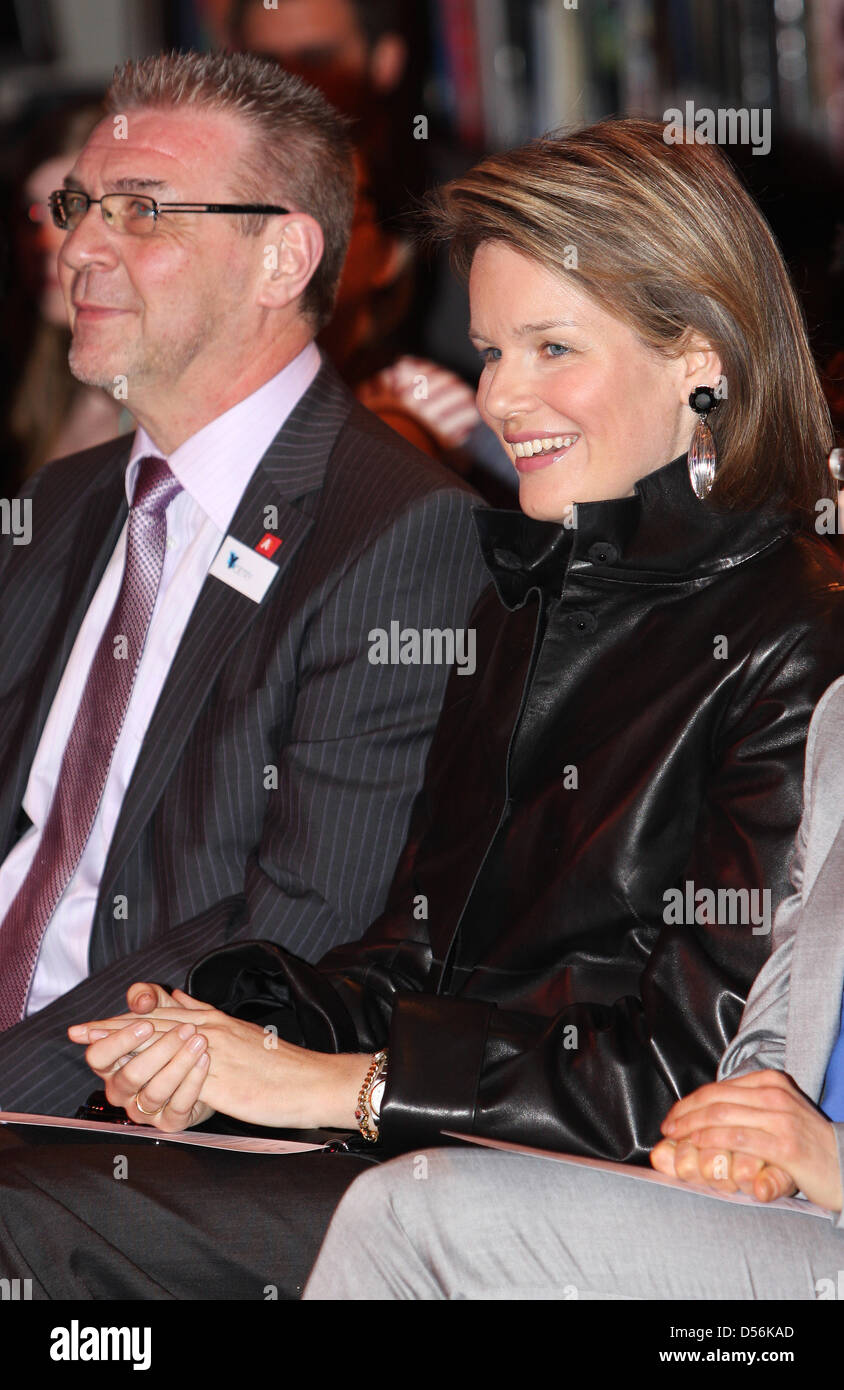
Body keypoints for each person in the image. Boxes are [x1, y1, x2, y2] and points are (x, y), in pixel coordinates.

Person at [1, 116, 843, 1299]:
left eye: (554, 348)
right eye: (493, 350)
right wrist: (226, 1024)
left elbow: (680, 1071)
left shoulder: (794, 636)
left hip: (558, 1189)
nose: (503, 396)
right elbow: (415, 952)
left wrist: (332, 1085)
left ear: (699, 356)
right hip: (414, 1139)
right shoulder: (527, 595)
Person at [0, 50, 487, 1116]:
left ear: (282, 258)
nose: (77, 243)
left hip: (137, 1107)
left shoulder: (397, 530)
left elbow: (296, 934)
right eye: (82, 205)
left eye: (140, 210)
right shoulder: (66, 500)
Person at [303, 671, 844, 1300]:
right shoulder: (838, 715)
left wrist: (828, 1155)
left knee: (405, 1220)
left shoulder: (783, 657)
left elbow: (661, 1067)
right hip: (783, 1214)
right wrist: (746, 1142)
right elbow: (777, 1029)